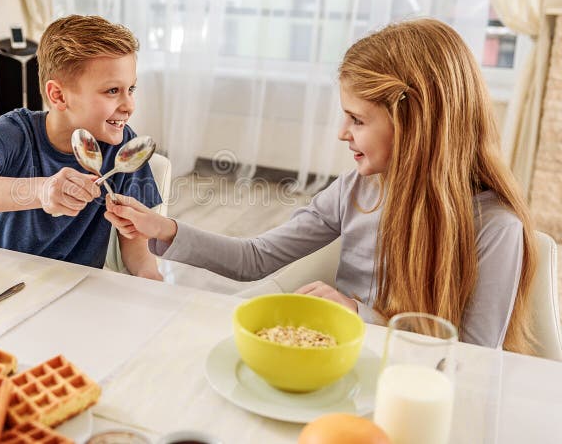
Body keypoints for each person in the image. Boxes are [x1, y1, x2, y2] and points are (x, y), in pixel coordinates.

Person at [104, 18, 537, 353]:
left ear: (415, 124)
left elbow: (475, 357)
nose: (342, 132)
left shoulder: (496, 228)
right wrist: (162, 229)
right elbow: (255, 258)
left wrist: (359, 314)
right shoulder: (355, 191)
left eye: (358, 119)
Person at [0, 15, 162, 279]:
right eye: (112, 91)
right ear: (58, 95)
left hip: (78, 294)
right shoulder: (15, 132)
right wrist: (43, 190)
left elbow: (138, 253)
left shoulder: (123, 147)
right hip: (1, 287)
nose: (129, 105)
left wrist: (154, 281)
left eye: (131, 89)